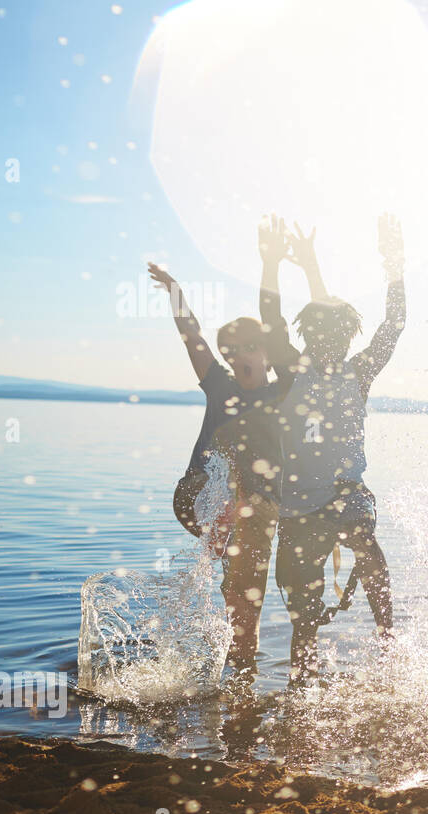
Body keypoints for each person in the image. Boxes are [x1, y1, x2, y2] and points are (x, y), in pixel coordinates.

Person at [262, 217, 406, 678]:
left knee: (371, 553)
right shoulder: (290, 374)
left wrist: (394, 263)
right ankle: (301, 683)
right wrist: (270, 265)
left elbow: (395, 323)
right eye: (322, 336)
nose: (331, 343)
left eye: (340, 336)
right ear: (308, 337)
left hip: (347, 497)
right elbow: (271, 321)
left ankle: (390, 652)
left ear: (348, 338)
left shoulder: (356, 375)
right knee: (304, 619)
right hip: (299, 512)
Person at [149, 234, 287, 671]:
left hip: (256, 508)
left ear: (266, 353)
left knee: (244, 597)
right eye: (232, 351)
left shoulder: (283, 394)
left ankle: (237, 667)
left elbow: (276, 323)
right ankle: (238, 668)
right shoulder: (220, 385)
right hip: (200, 496)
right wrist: (177, 295)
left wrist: (270, 265)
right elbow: (192, 336)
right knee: (237, 495)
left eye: (250, 348)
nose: (240, 356)